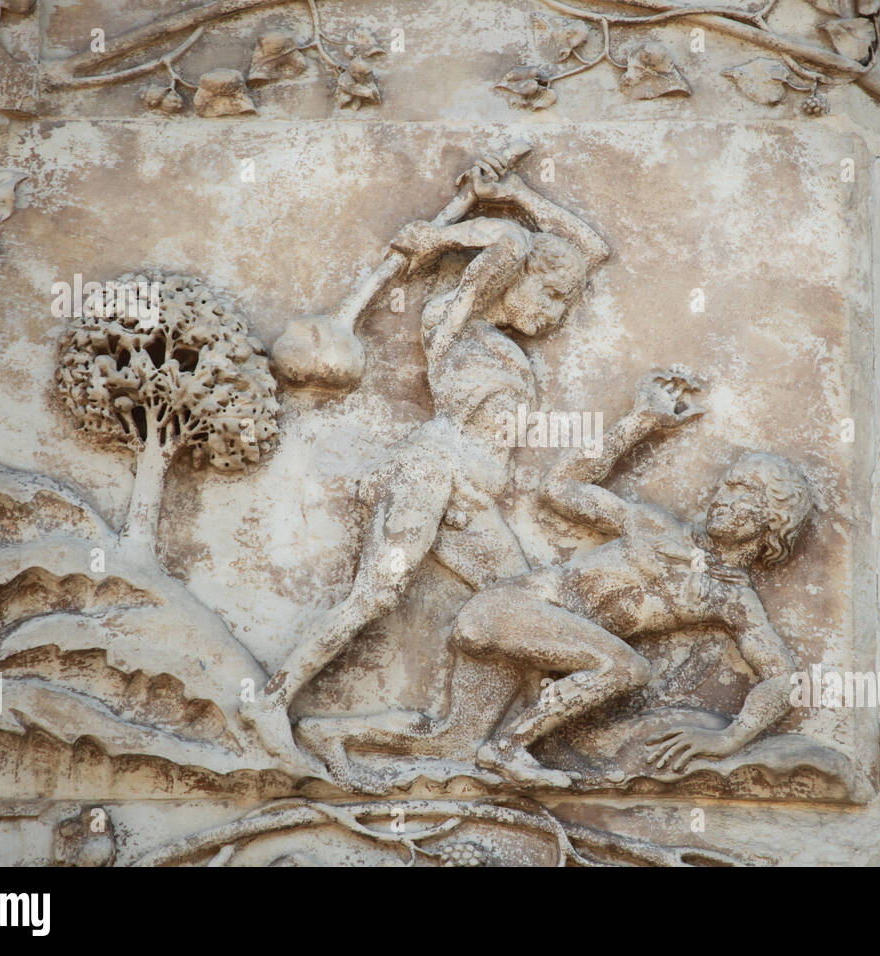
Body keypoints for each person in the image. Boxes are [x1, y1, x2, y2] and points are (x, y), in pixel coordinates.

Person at [240, 159, 609, 770]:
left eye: (566, 300)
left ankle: (494, 744)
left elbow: (590, 249)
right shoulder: (454, 321)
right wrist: (441, 238)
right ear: (511, 279)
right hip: (431, 475)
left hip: (470, 500)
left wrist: (516, 192)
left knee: (518, 612)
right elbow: (509, 242)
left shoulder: (506, 347)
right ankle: (271, 704)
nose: (558, 312)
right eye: (551, 292)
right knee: (375, 598)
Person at [440, 369, 814, 787]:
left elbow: (784, 678)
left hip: (532, 647)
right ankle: (507, 748)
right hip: (504, 611)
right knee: (628, 669)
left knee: (445, 745)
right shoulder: (653, 525)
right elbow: (560, 489)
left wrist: (729, 739)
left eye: (743, 490)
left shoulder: (733, 600)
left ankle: (366, 745)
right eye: (725, 485)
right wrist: (641, 421)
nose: (723, 497)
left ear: (774, 519)